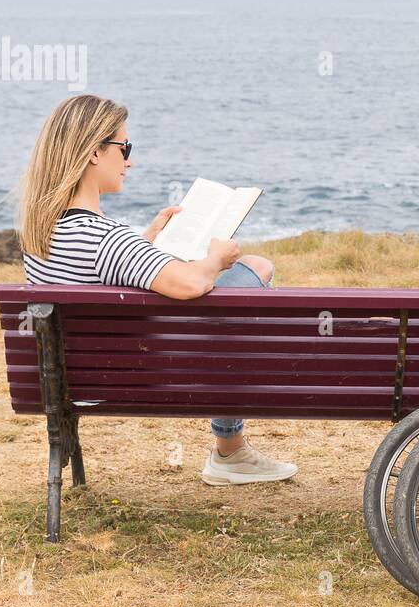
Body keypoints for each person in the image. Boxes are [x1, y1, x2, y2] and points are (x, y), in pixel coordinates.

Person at [15, 94, 297, 485]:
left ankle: (231, 452)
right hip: (154, 375)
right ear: (95, 153)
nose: (129, 160)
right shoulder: (105, 239)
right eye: (124, 146)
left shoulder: (40, 236)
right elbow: (191, 283)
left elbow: (101, 274)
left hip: (75, 380)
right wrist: (217, 256)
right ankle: (229, 450)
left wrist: (146, 241)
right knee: (256, 269)